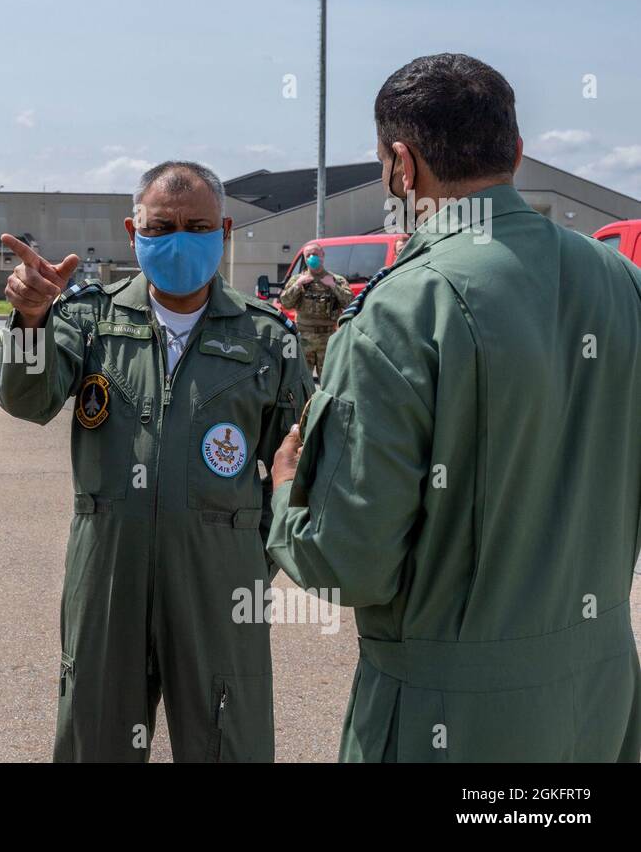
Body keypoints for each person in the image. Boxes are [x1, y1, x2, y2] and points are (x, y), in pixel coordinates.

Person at [267, 53, 641, 762]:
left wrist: (286, 493)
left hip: (449, 720)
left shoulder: (404, 308)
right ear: (517, 152)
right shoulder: (621, 280)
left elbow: (351, 561)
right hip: (602, 698)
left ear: (402, 167)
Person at [0, 161, 313, 762]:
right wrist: (33, 320)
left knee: (228, 736)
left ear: (222, 232)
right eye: (162, 225)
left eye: (195, 226)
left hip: (219, 575)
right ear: (132, 228)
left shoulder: (266, 337)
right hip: (108, 568)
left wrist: (253, 550)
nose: (178, 239)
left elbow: (295, 461)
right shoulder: (88, 318)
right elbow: (27, 399)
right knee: (96, 731)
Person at [278, 241, 352, 379]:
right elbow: (285, 303)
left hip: (328, 338)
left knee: (330, 380)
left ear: (323, 256)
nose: (312, 257)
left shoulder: (336, 279)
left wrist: (333, 286)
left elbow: (349, 303)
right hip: (304, 337)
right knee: (300, 380)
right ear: (305, 259)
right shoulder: (297, 280)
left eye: (315, 254)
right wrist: (298, 285)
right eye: (308, 255)